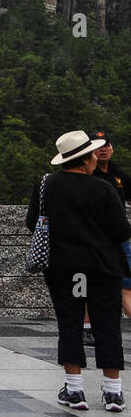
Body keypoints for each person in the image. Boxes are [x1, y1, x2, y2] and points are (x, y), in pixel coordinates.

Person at [28, 131, 131, 411]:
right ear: (85, 159)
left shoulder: (46, 186)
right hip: (103, 267)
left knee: (70, 324)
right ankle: (113, 393)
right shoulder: (104, 189)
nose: (97, 158)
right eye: (93, 154)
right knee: (107, 326)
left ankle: (74, 390)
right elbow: (121, 231)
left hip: (65, 268)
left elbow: (32, 223)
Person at [90, 131, 131, 321]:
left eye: (106, 146)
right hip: (94, 239)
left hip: (120, 238)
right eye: (98, 146)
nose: (103, 150)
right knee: (90, 285)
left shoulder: (118, 174)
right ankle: (88, 327)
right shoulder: (88, 175)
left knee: (126, 285)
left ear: (112, 149)